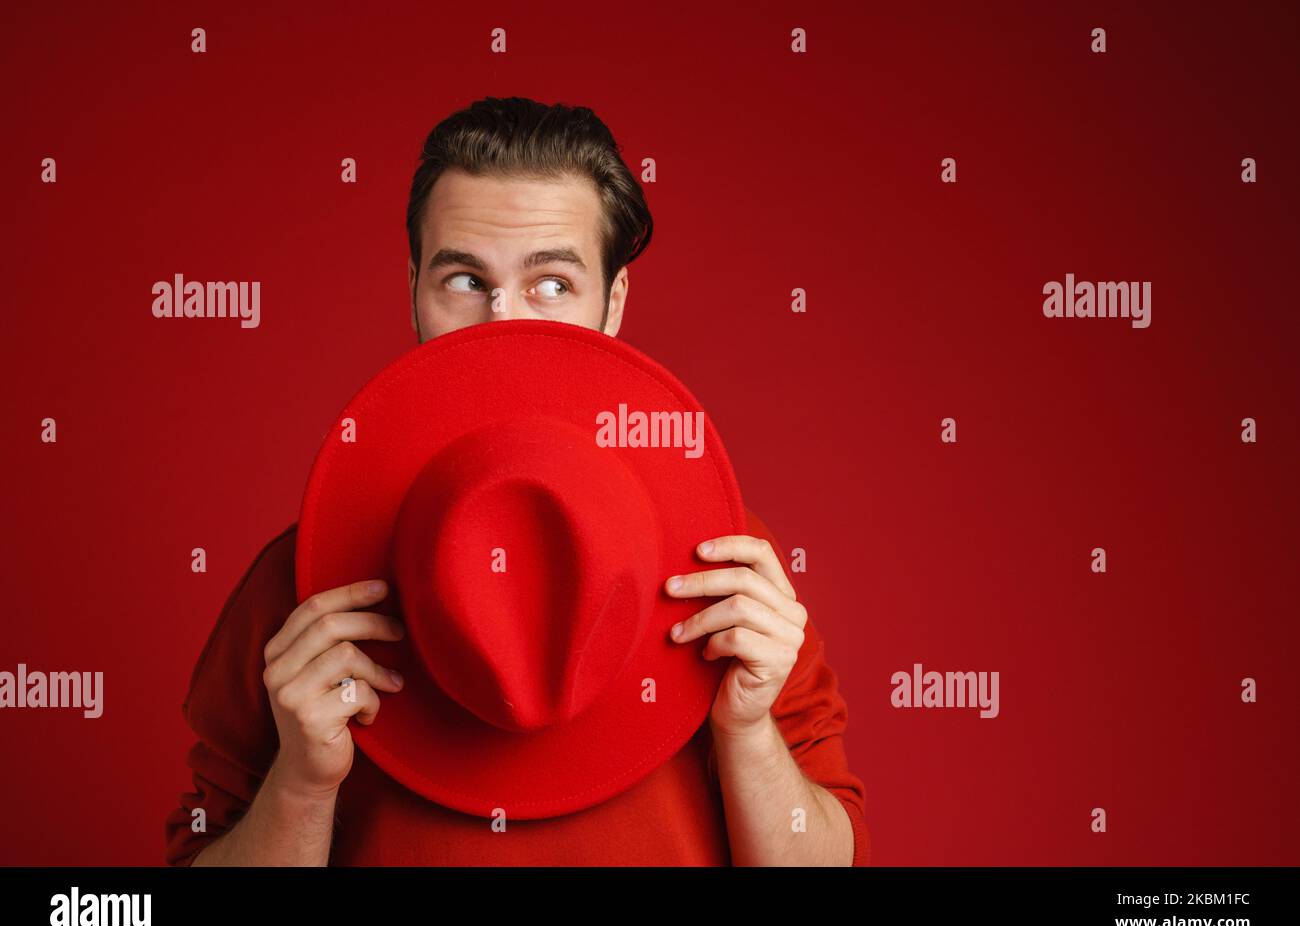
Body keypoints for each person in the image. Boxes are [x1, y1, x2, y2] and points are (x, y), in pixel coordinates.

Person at [164, 96, 869, 866]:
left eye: (553, 284)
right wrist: (300, 783)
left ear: (614, 304)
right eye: (465, 278)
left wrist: (747, 731)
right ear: (413, 291)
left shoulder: (726, 566)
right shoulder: (305, 579)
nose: (503, 323)